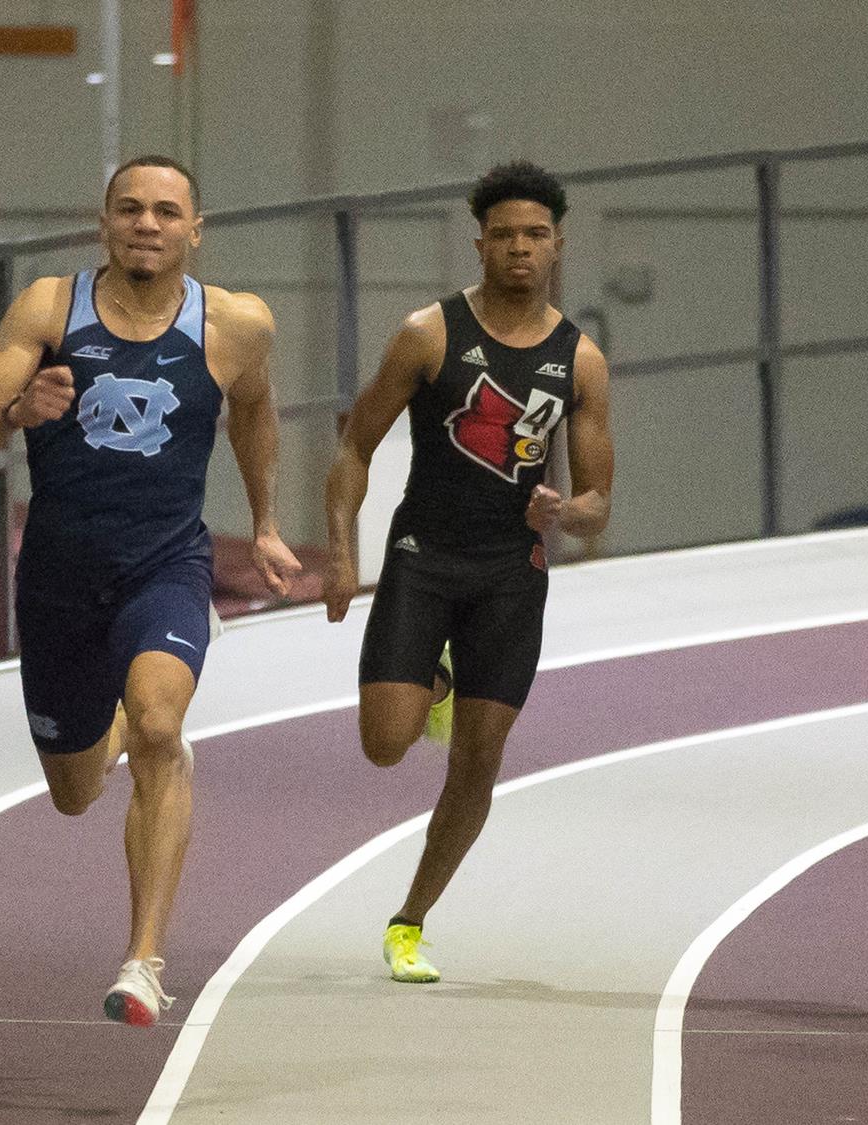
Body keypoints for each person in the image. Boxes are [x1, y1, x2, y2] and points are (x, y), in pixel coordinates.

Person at [0, 154, 300, 1027]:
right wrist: (18, 412)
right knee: (73, 791)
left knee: (159, 725)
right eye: (130, 209)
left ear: (195, 229)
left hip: (166, 566)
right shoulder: (46, 308)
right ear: (102, 222)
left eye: (166, 212)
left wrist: (262, 523)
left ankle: (144, 958)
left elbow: (253, 408)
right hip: (61, 577)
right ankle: (107, 733)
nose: (148, 224)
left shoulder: (238, 323)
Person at [321, 160, 614, 984]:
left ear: (557, 244)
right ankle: (433, 685)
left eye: (536, 235)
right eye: (506, 236)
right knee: (386, 744)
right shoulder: (429, 334)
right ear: (480, 243)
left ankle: (410, 920)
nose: (521, 248)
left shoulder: (579, 360)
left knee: (479, 760)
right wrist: (343, 552)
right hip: (423, 559)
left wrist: (569, 512)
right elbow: (353, 444)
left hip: (511, 576)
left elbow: (598, 501)